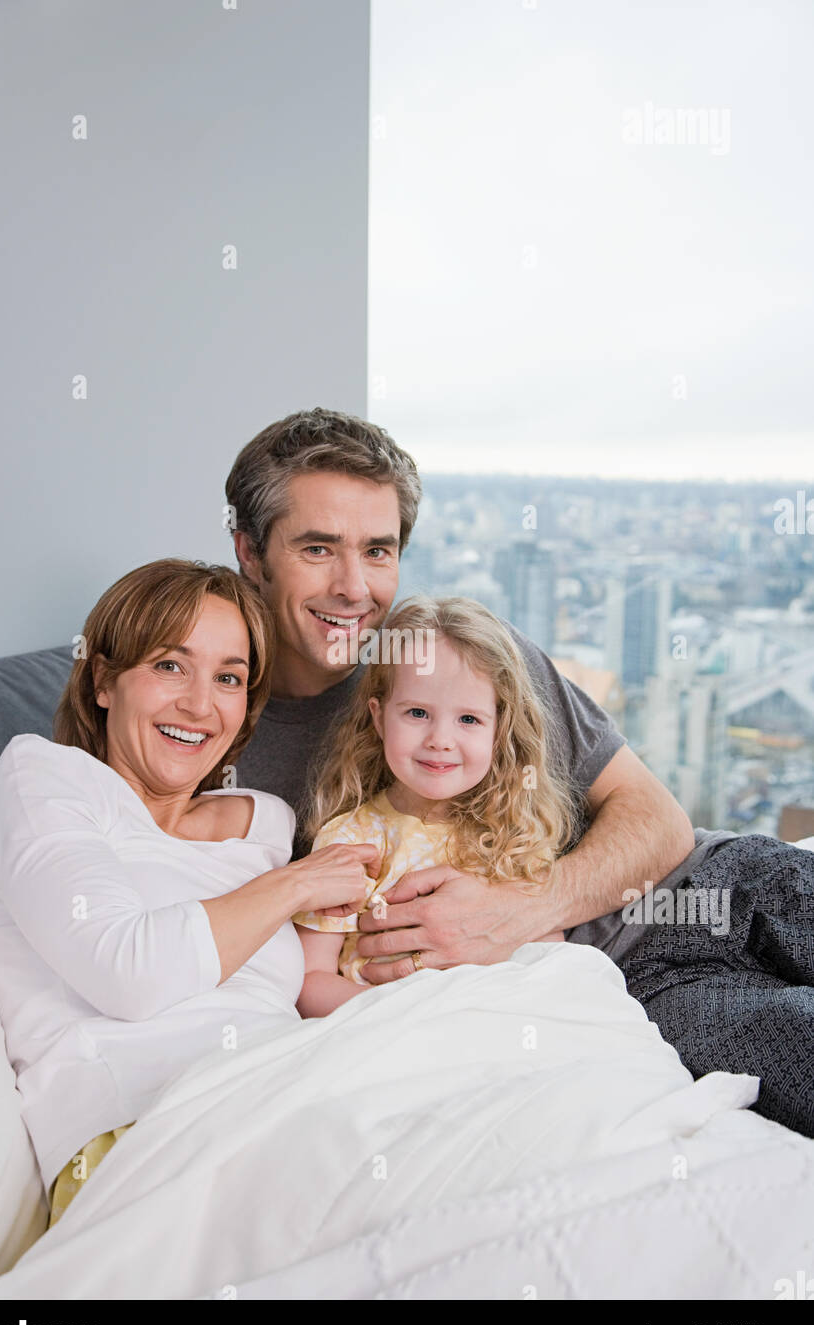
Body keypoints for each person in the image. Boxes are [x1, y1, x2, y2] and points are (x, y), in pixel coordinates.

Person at [226, 406, 814, 1135]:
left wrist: (526, 908)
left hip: (713, 880)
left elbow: (658, 818)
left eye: (378, 550)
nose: (354, 587)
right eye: (318, 549)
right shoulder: (212, 730)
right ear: (250, 551)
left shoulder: (460, 651)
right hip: (629, 987)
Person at [0, 559, 379, 1225]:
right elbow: (129, 971)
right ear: (104, 680)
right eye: (169, 665)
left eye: (228, 678)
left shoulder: (264, 821)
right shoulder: (39, 780)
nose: (199, 703)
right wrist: (296, 882)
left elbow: (302, 985)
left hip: (298, 1093)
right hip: (137, 1131)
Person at [292, 594, 574, 1015]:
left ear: (499, 730)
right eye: (418, 712)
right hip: (378, 1033)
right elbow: (310, 982)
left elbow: (547, 963)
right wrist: (407, 1022)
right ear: (378, 716)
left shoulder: (515, 836)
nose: (440, 739)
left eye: (468, 719)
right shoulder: (352, 840)